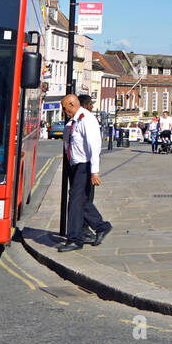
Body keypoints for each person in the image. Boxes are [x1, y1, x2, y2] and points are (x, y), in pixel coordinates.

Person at [57, 93, 112, 251]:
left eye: (65, 108)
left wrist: (94, 171)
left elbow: (94, 146)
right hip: (75, 165)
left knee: (75, 201)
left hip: (85, 165)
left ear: (73, 105)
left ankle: (74, 239)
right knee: (82, 201)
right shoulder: (72, 122)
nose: (64, 111)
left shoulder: (87, 120)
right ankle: (101, 226)